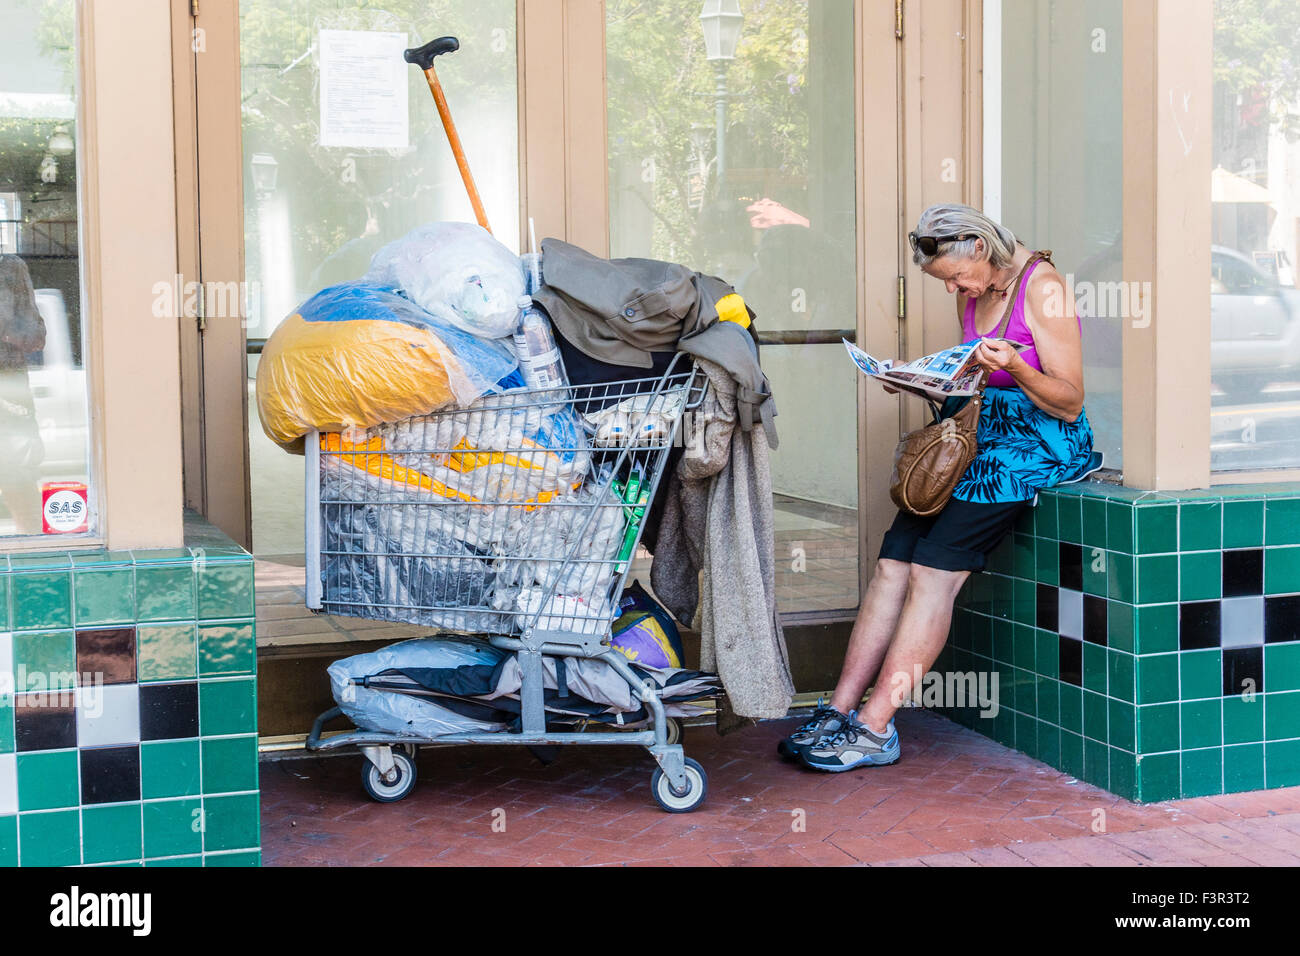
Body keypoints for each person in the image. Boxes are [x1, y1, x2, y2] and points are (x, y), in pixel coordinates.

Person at [780, 203, 1098, 772]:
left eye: (955, 276)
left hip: (1029, 447)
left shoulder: (1043, 288)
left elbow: (1070, 399)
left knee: (932, 573)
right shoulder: (973, 289)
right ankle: (839, 709)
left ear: (979, 246)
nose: (955, 288)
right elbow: (978, 374)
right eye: (946, 282)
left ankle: (876, 728)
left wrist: (1020, 369)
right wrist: (920, 378)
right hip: (972, 436)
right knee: (892, 564)